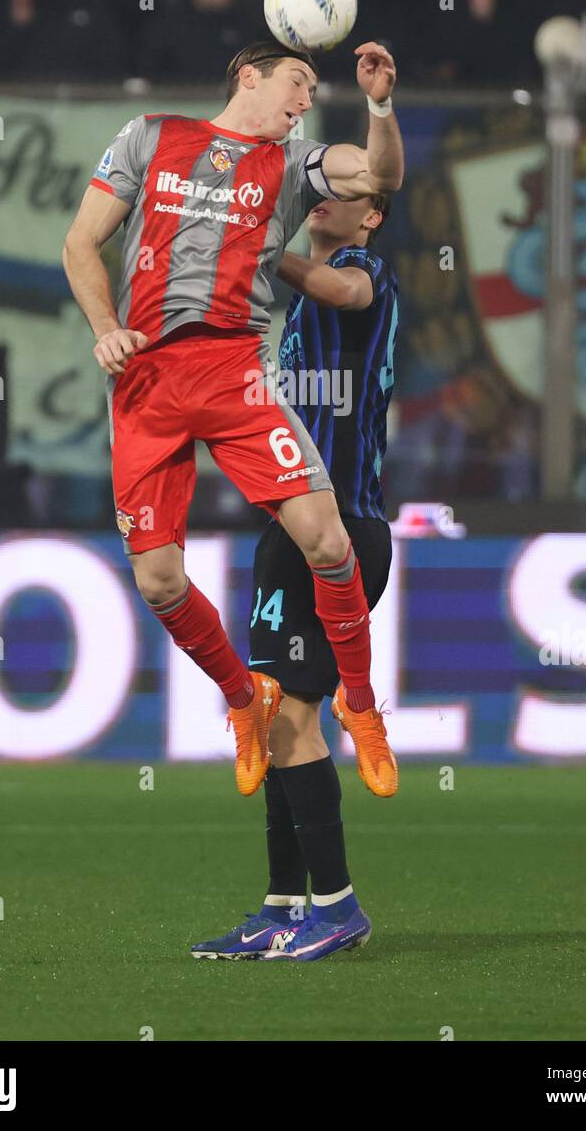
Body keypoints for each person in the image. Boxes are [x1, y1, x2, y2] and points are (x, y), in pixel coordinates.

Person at [62, 39, 404, 799]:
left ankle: (361, 702)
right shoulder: (150, 136)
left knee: (326, 537)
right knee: (157, 582)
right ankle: (245, 702)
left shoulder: (293, 164)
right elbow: (81, 242)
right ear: (248, 77)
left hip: (232, 371)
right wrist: (103, 327)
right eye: (297, 81)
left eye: (314, 88)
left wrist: (379, 105)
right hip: (146, 374)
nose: (306, 98)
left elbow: (379, 175)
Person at [191, 188, 398, 962]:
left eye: (342, 195)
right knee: (276, 714)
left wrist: (250, 243)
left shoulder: (363, 271)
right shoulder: (297, 312)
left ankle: (337, 907)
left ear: (371, 215)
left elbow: (338, 286)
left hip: (337, 532)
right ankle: (282, 905)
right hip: (291, 530)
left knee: (294, 722)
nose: (321, 200)